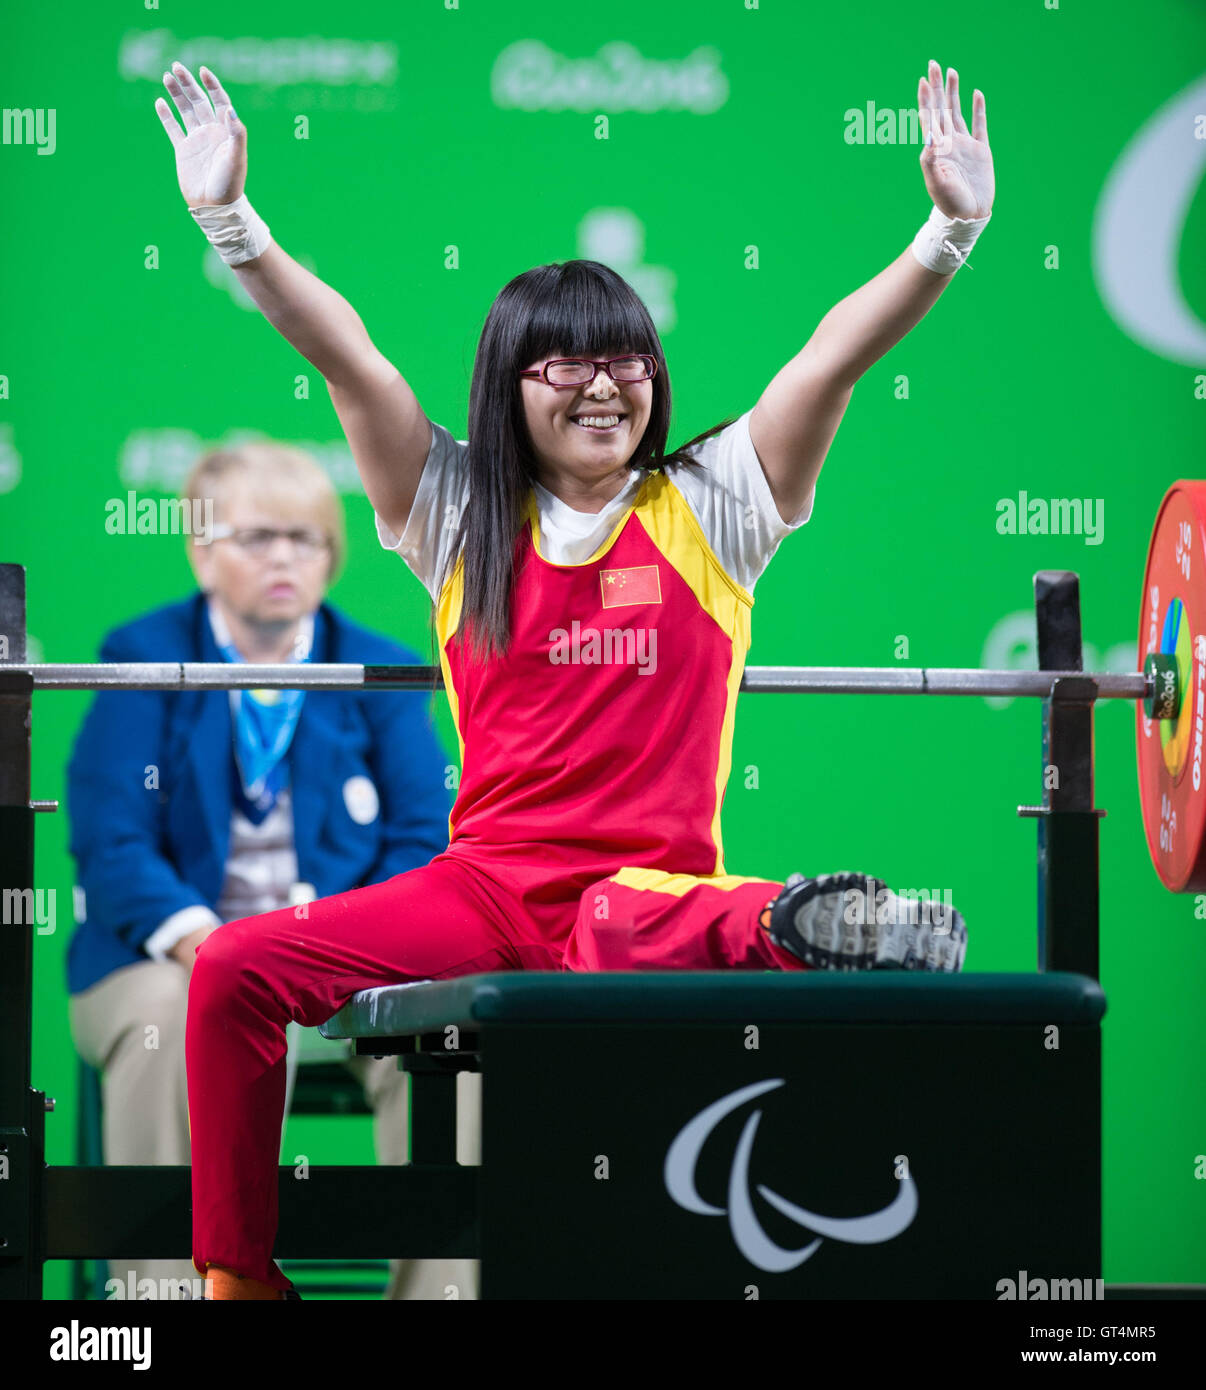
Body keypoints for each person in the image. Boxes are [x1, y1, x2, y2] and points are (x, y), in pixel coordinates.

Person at [153, 55, 992, 1299]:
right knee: (231, 971)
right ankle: (236, 1278)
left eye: (627, 359)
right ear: (510, 383)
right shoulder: (454, 509)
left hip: (644, 895)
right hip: (486, 891)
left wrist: (948, 231)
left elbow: (828, 360)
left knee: (618, 922)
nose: (605, 382)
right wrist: (231, 221)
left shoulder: (717, 503)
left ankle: (801, 924)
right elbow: (353, 363)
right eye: (566, 363)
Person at [65, 439, 469, 1300]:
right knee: (172, 1019)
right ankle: (168, 1298)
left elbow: (419, 842)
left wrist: (335, 953)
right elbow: (113, 846)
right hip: (166, 964)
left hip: (338, 963)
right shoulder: (141, 652)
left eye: (308, 538)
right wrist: (220, 955)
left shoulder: (382, 664)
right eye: (257, 538)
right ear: (201, 551)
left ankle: (442, 1296)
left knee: (448, 1031)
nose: (286, 557)